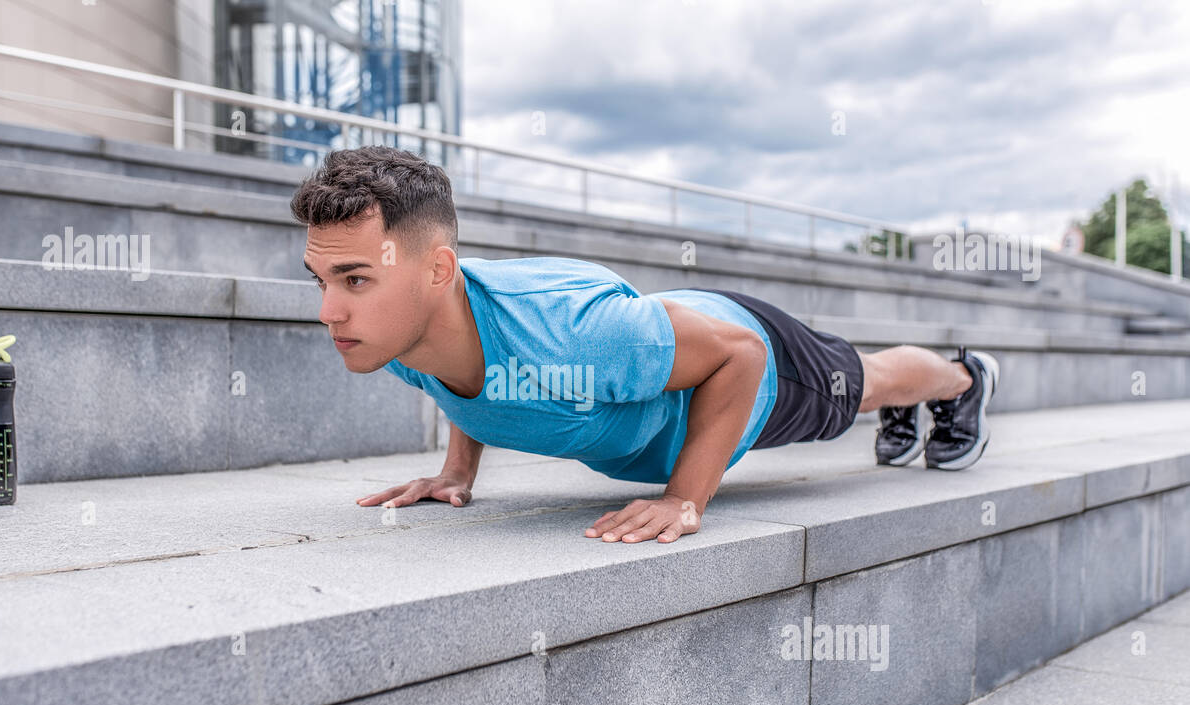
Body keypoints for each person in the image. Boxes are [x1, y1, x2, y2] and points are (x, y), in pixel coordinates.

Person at [292, 146, 999, 544]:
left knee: (864, 380)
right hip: (671, 343)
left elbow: (740, 357)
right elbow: (464, 374)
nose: (329, 310)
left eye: (353, 279)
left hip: (749, 361)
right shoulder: (396, 331)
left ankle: (965, 378)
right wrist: (456, 470)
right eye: (322, 278)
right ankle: (923, 401)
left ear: (438, 272)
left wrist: (685, 499)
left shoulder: (577, 335)